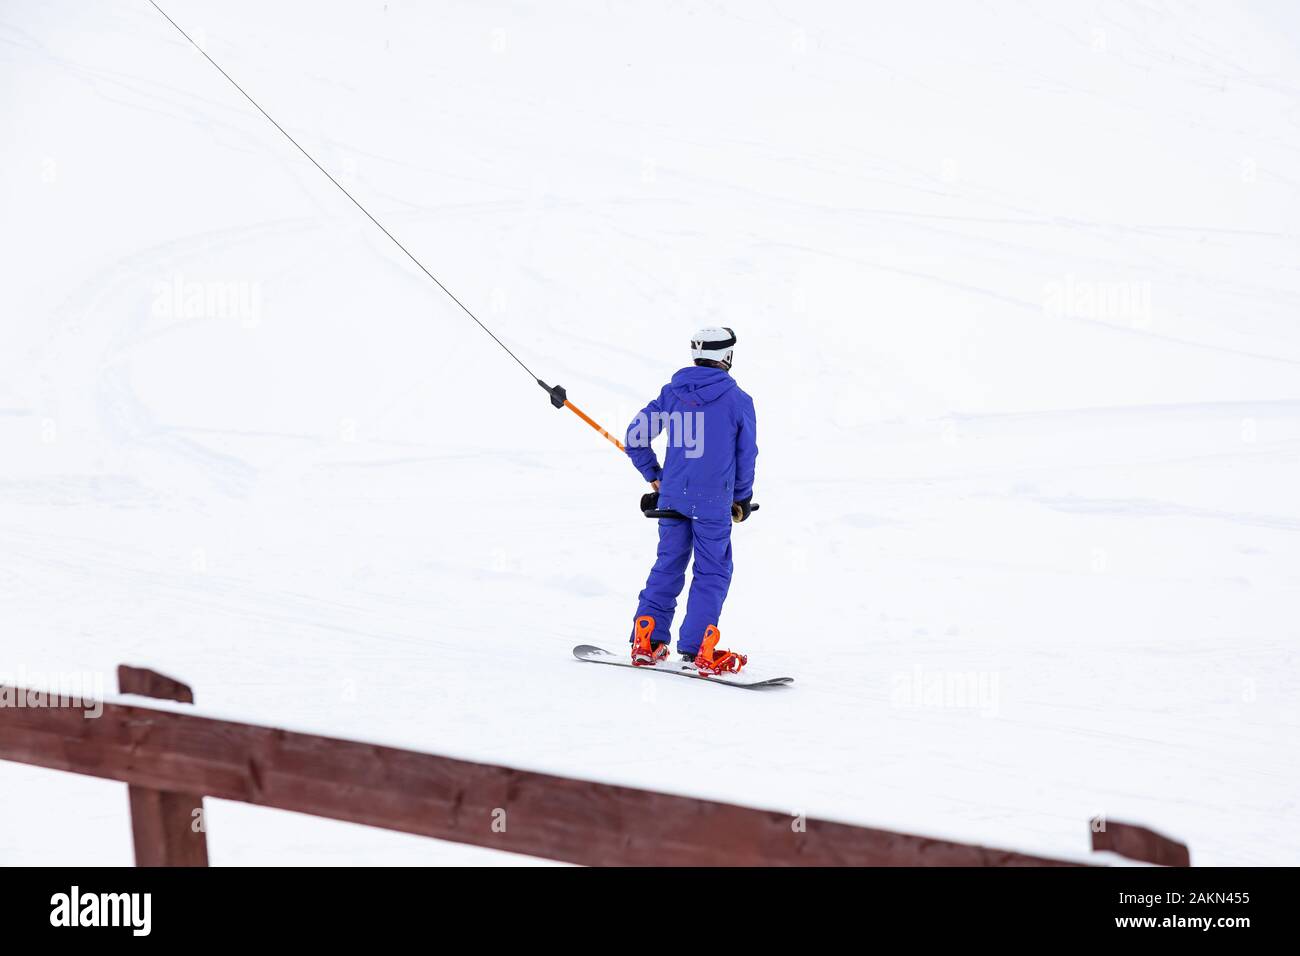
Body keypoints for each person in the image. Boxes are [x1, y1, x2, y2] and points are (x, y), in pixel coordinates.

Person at [623, 326, 758, 673]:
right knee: (712, 570)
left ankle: (647, 639)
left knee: (668, 563)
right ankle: (700, 648)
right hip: (714, 504)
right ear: (726, 356)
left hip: (673, 498)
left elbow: (635, 435)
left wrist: (654, 474)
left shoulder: (672, 393)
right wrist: (741, 499)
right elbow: (746, 456)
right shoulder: (738, 400)